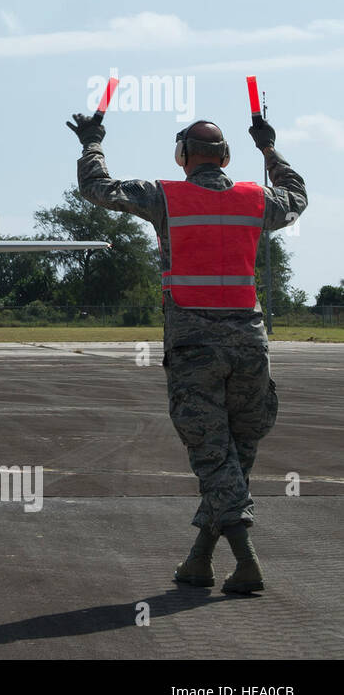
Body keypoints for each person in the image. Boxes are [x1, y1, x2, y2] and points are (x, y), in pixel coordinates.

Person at [66, 108, 307, 593]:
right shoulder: (255, 198)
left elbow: (98, 188)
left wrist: (92, 141)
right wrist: (268, 146)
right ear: (225, 156)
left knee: (213, 456)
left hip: (195, 348)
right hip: (250, 348)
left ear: (183, 157)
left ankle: (246, 561)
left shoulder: (165, 196)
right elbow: (297, 196)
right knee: (234, 455)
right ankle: (199, 559)